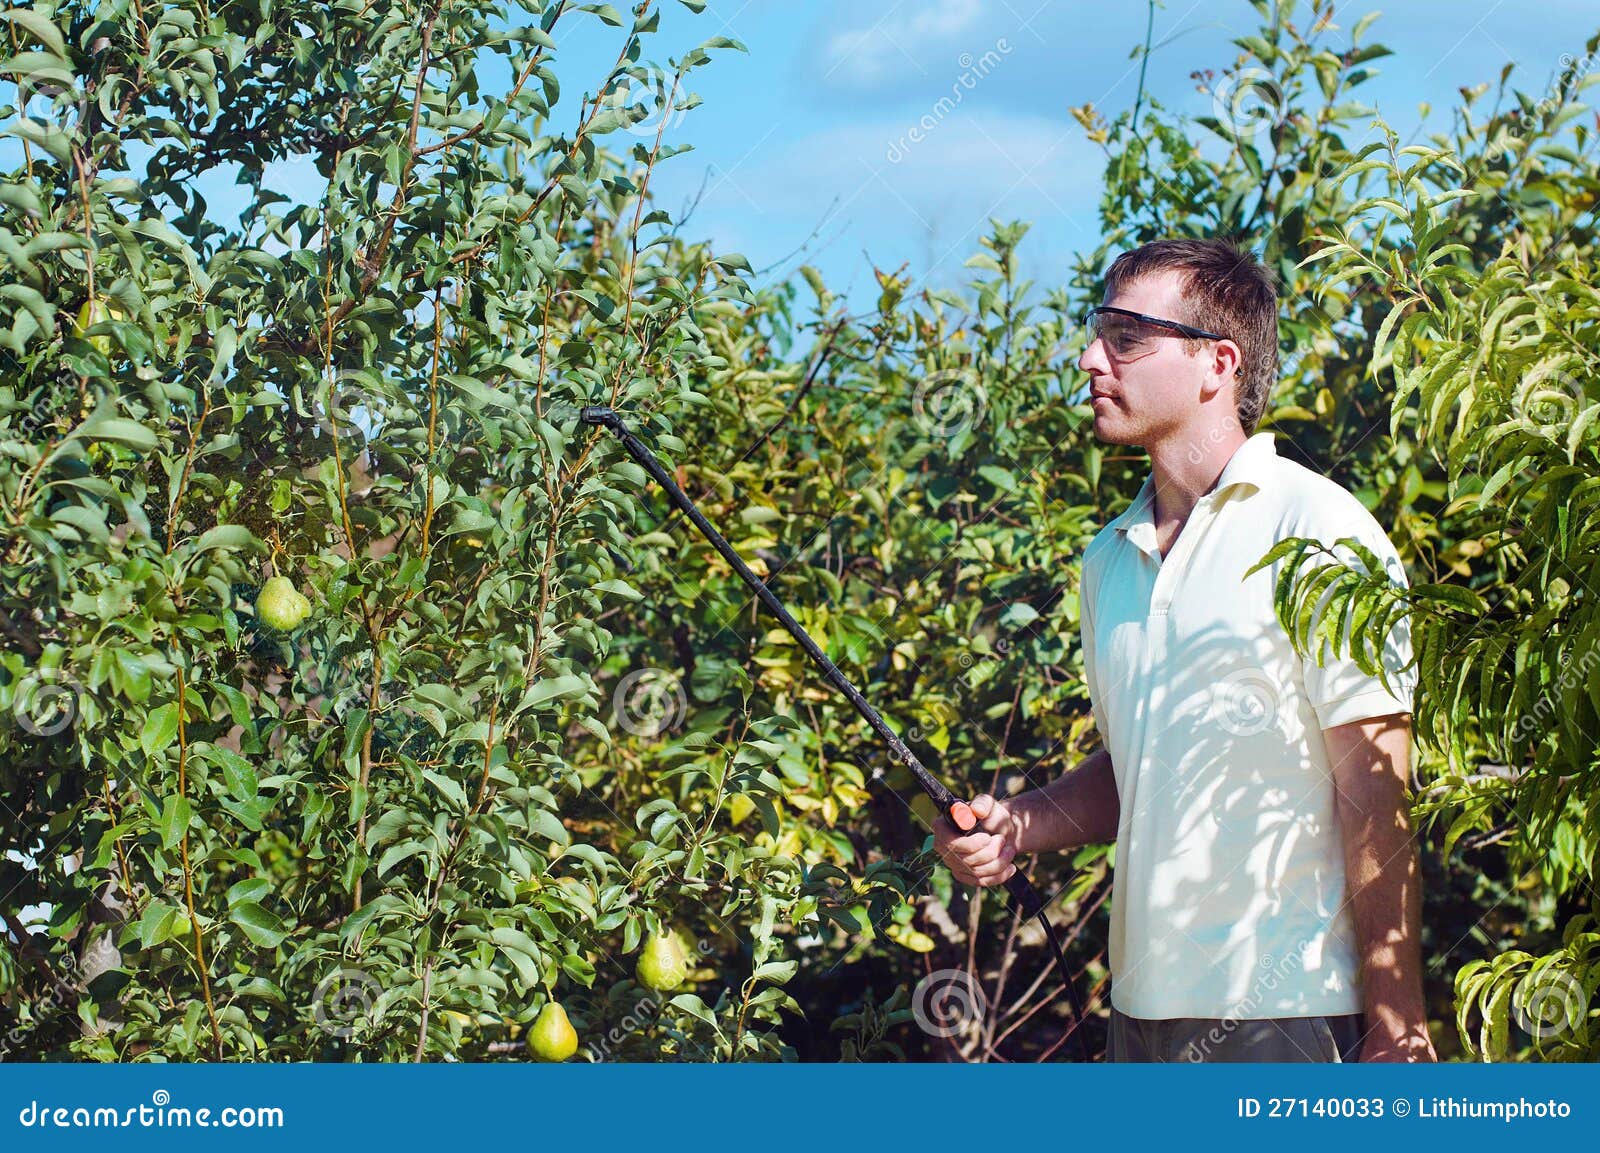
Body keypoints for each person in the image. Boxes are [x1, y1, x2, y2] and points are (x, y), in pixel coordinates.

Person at [934, 238, 1438, 1063]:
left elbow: (1375, 789)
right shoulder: (1107, 558)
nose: (1091, 358)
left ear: (1218, 364)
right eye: (1097, 332)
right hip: (1136, 1016)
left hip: (1290, 1015)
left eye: (1127, 337)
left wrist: (1398, 1022)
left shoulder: (1320, 530)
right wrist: (1020, 824)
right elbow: (1138, 770)